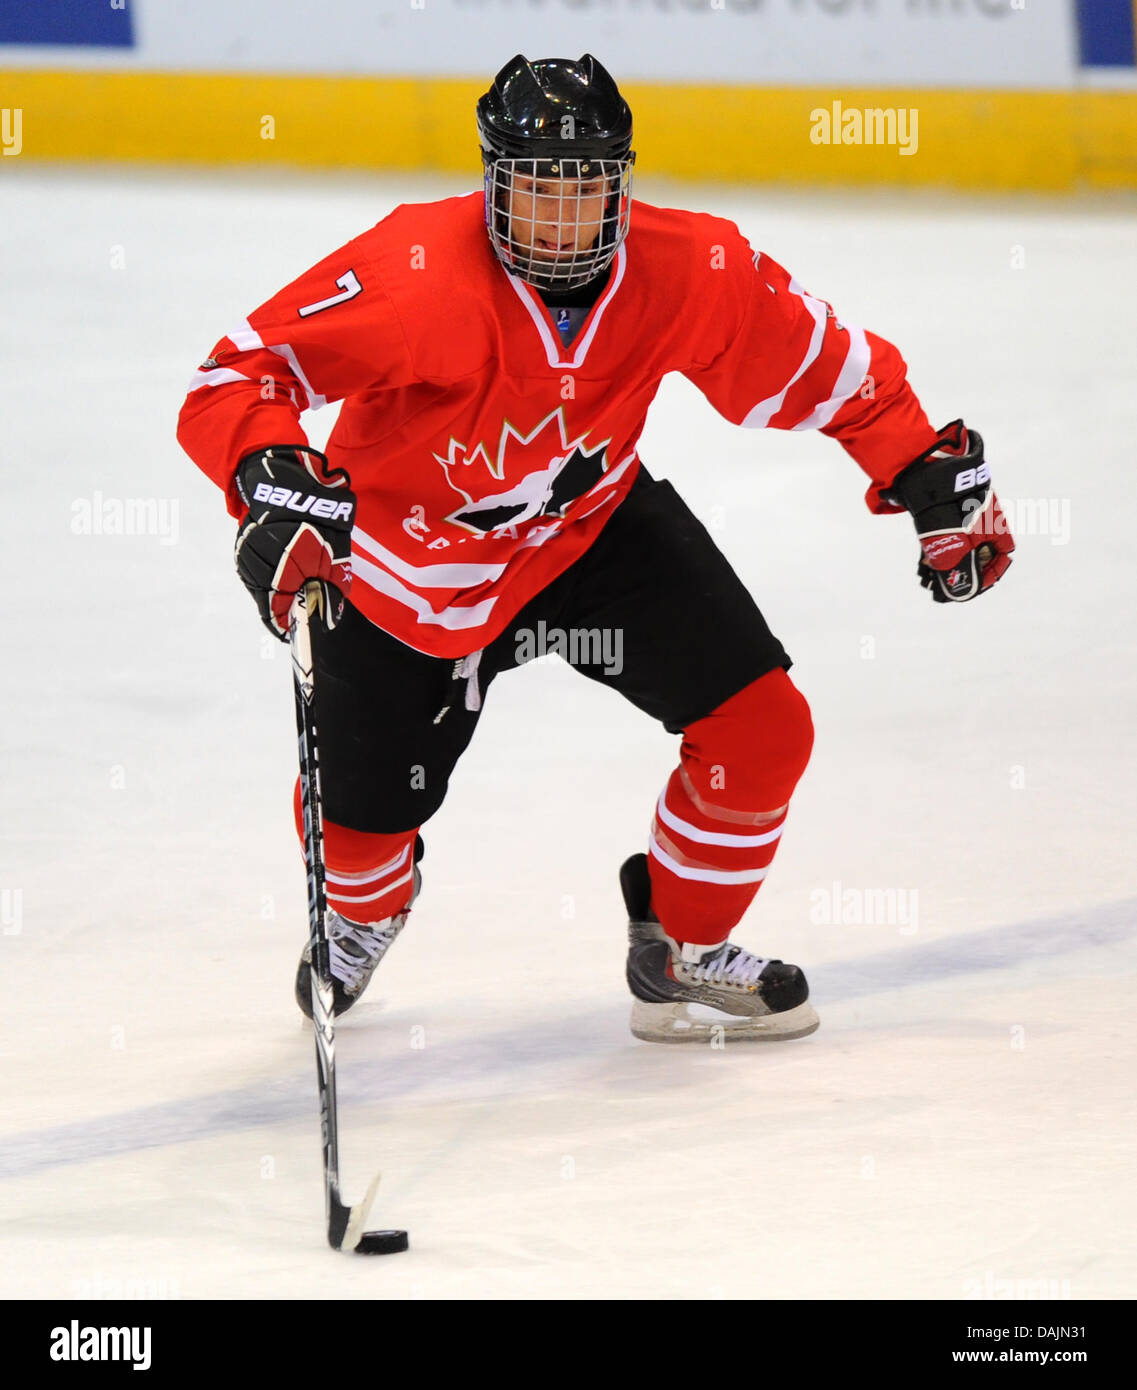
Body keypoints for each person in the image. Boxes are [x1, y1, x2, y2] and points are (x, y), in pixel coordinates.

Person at [177, 53, 1014, 1044]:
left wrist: (917, 460)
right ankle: (365, 914)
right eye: (536, 194)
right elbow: (237, 375)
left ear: (622, 184)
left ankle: (682, 944)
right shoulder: (414, 273)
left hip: (587, 538)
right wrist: (272, 478)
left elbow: (823, 366)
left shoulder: (688, 268)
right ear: (493, 185)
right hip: (403, 579)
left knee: (763, 731)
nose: (562, 225)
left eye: (586, 192)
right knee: (357, 836)